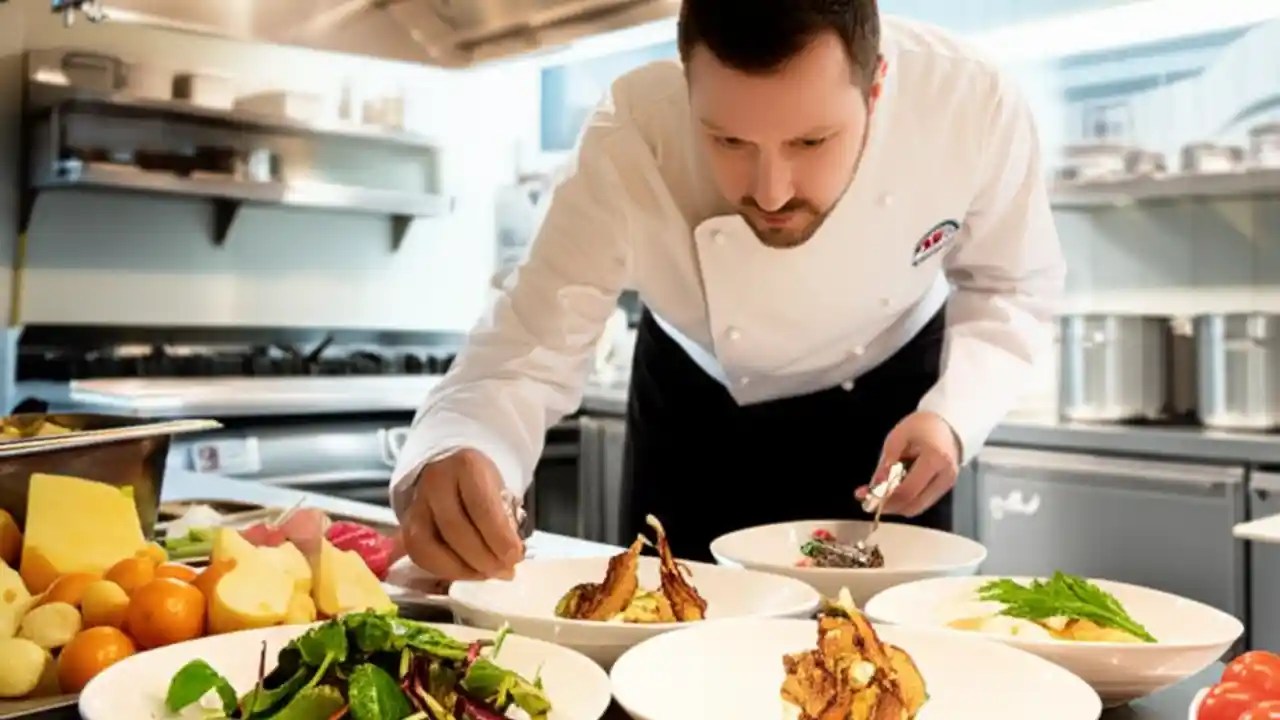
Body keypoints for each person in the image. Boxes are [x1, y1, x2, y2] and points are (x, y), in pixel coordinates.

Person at [392, 0, 1066, 577]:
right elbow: (527, 349)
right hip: (695, 414)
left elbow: (1011, 287)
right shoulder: (631, 136)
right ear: (687, 84)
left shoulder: (969, 104)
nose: (771, 192)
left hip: (892, 418)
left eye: (811, 141)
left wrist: (952, 417)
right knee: (664, 642)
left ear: (877, 84)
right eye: (727, 139)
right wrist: (462, 450)